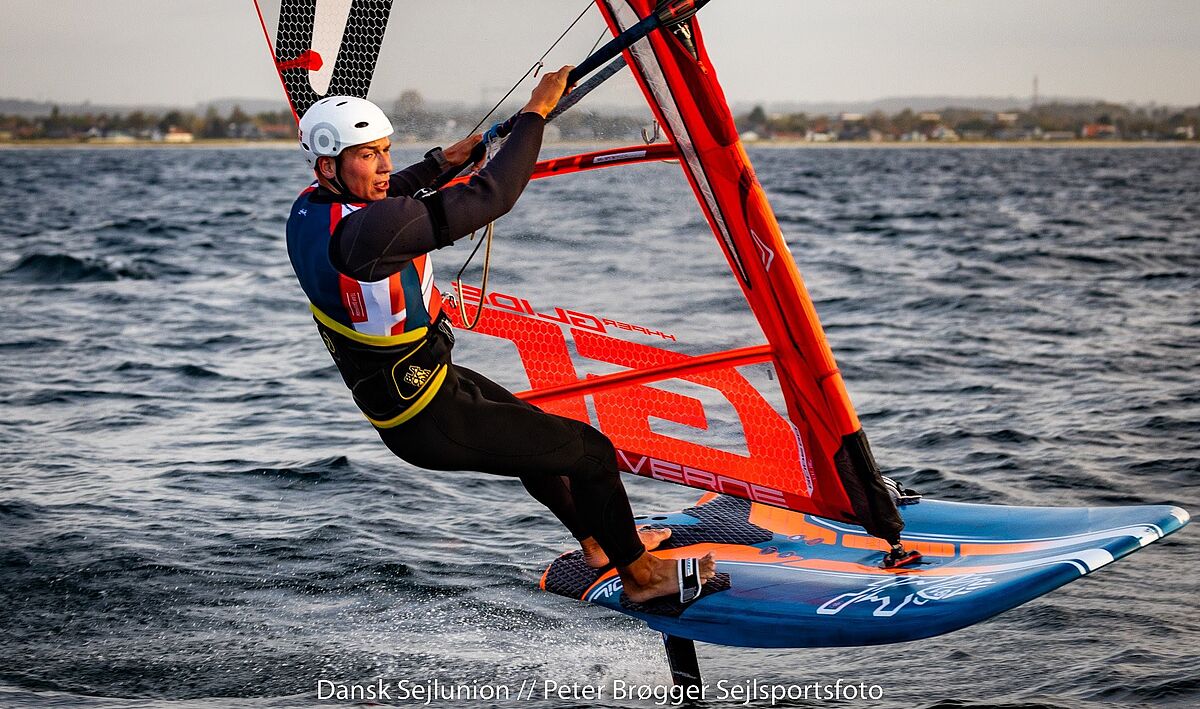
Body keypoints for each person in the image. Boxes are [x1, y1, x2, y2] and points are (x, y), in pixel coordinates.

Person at [284, 67, 716, 603]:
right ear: (329, 165)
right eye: (368, 155)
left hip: (420, 388)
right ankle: (643, 577)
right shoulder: (367, 234)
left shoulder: (312, 208)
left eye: (385, 150)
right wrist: (536, 111)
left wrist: (442, 163)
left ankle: (601, 544)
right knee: (593, 454)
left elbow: (390, 188)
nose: (385, 166)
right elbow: (496, 193)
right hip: (426, 413)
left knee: (537, 439)